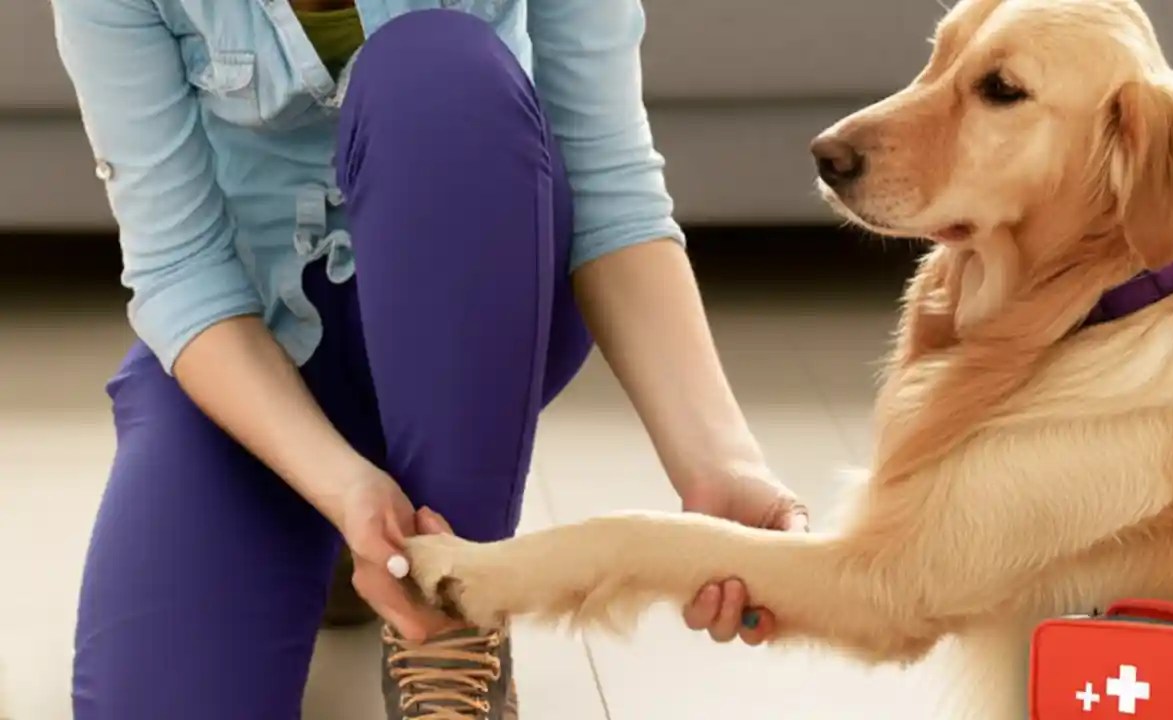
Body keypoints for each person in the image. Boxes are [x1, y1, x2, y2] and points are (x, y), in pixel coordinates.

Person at [51, 0, 807, 717]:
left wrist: (720, 465)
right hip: (255, 358)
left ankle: (456, 618)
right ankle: (349, 532)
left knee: (435, 72)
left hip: (476, 318)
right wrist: (343, 486)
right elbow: (181, 271)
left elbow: (614, 192)